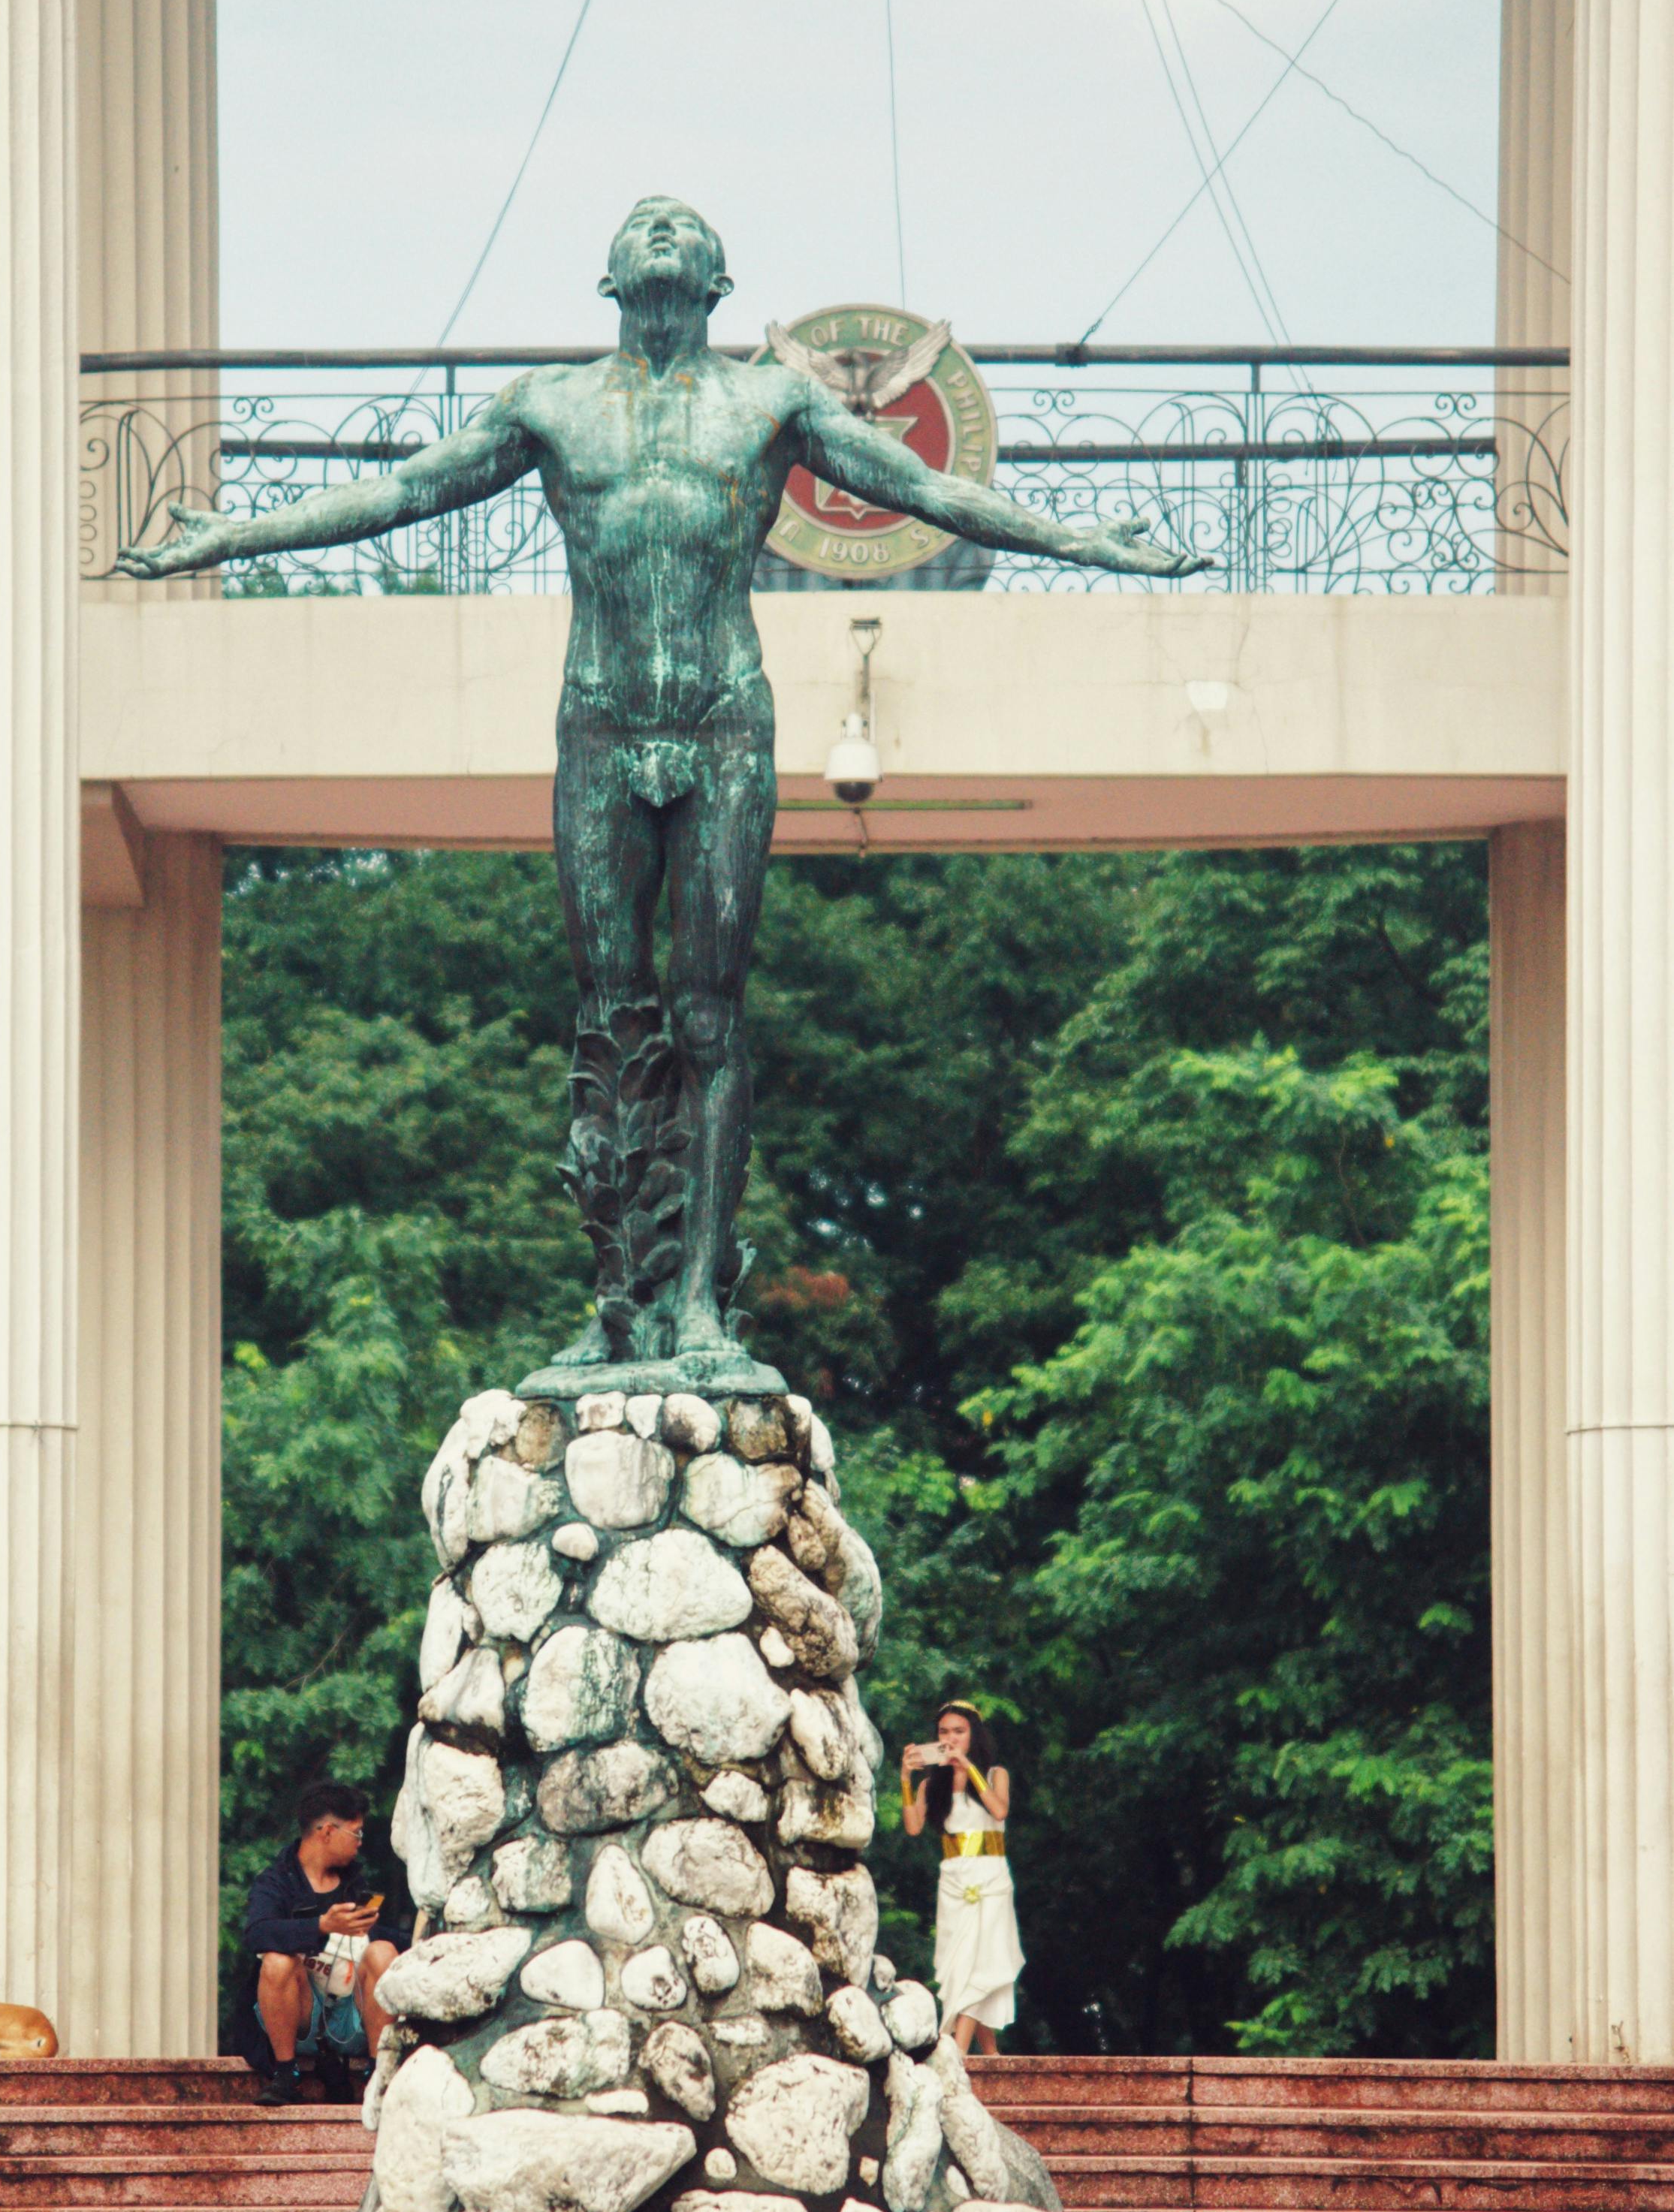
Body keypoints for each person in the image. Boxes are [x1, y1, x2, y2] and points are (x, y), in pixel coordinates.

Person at [116, 199, 1205, 1376]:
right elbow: (398, 493)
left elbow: (928, 492)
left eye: (682, 227)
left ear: (721, 278)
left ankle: (697, 1304)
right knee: (606, 1018)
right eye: (642, 225)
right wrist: (225, 537)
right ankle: (617, 1306)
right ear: (607, 273)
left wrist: (1088, 543)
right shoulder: (552, 405)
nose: (661, 234)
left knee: (707, 1018)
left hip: (722, 722)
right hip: (599, 724)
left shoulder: (767, 404)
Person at [242, 1783, 401, 2106]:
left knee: (383, 1950)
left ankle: (379, 2073)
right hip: (301, 2014)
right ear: (328, 1831)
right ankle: (285, 2075)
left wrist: (368, 1932)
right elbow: (256, 1934)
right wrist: (322, 1926)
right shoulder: (276, 1882)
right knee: (276, 1960)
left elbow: (394, 1943)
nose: (359, 1843)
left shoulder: (357, 1882)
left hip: (351, 2014)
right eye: (356, 1834)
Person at [901, 1701, 1024, 2055]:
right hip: (954, 1878)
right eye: (944, 1732)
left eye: (959, 1731)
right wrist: (906, 1779)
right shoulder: (932, 1785)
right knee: (961, 1966)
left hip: (991, 1875)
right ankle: (991, 2054)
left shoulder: (995, 1773)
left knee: (983, 1960)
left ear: (974, 1734)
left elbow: (999, 1809)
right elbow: (913, 1827)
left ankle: (955, 2052)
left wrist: (968, 1767)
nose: (951, 1738)